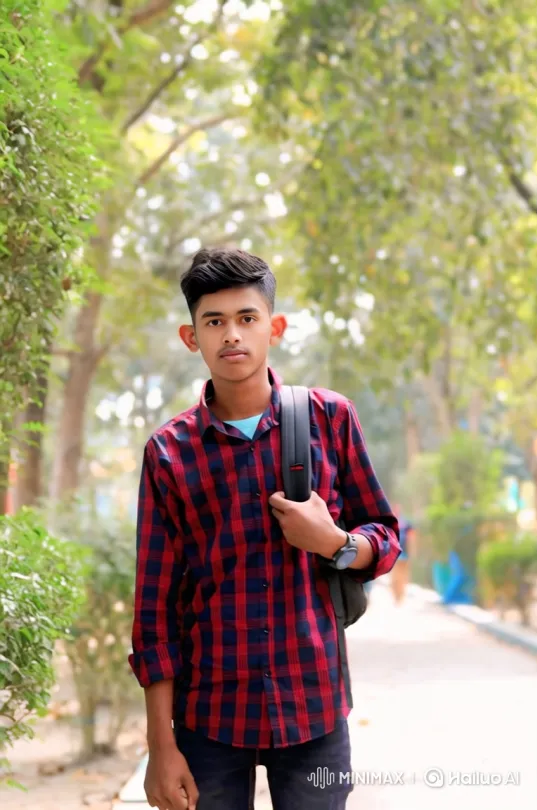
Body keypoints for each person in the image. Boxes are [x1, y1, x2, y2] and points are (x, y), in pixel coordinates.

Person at [128, 247, 401, 810]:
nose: (232, 335)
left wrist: (336, 544)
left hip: (314, 708)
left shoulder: (331, 419)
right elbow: (154, 611)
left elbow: (386, 536)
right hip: (208, 719)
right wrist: (160, 745)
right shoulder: (169, 454)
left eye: (247, 318)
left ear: (273, 327)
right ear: (191, 337)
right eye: (215, 322)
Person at [390, 504, 416, 605]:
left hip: (404, 553)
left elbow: (412, 537)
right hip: (394, 554)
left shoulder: (406, 523)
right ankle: (397, 595)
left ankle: (400, 596)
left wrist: (412, 552)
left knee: (402, 576)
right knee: (395, 576)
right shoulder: (391, 522)